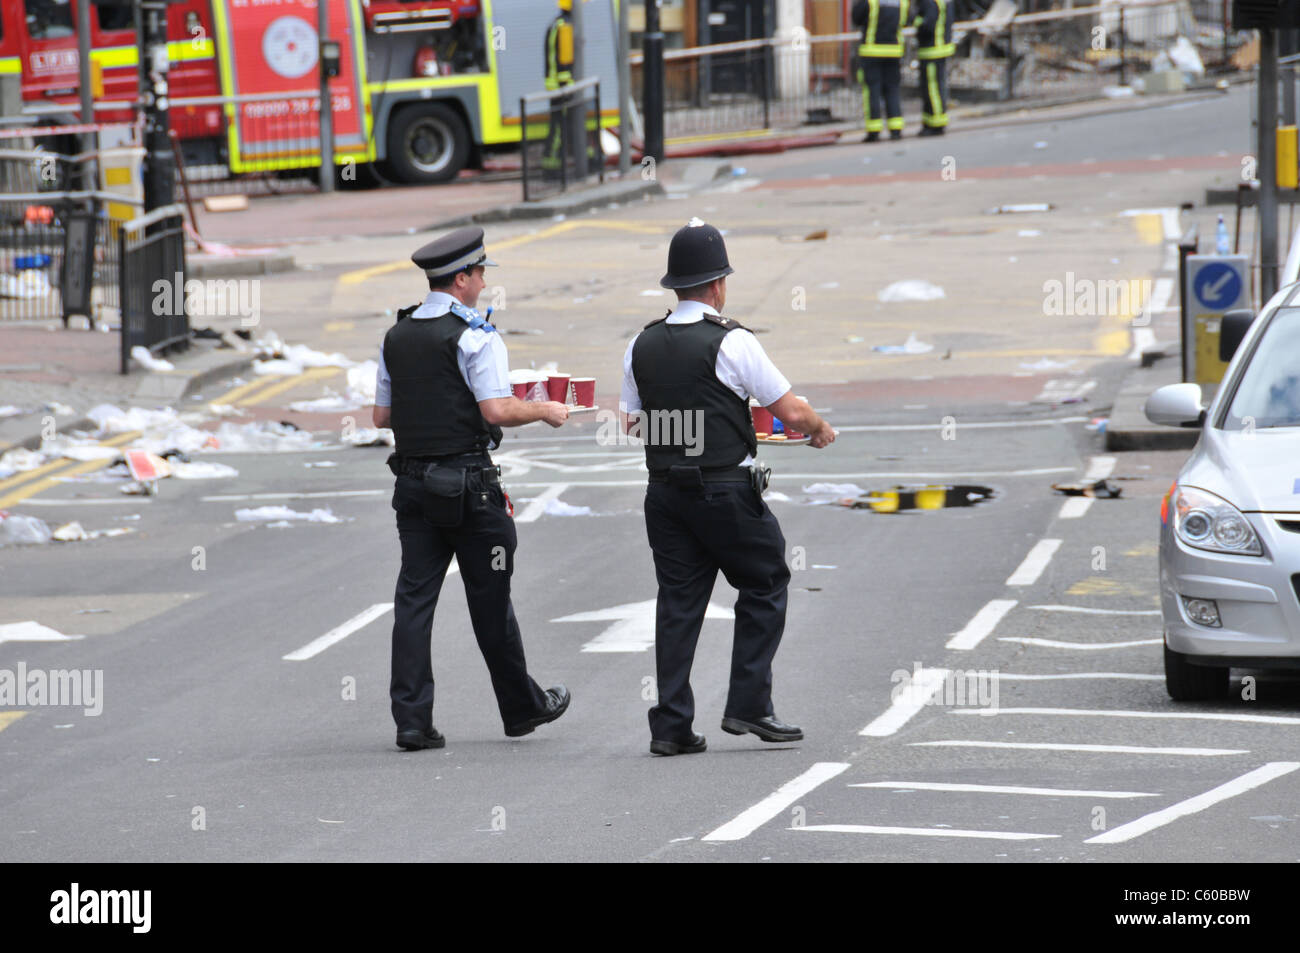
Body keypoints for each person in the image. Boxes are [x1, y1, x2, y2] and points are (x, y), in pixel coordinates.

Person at [620, 219, 836, 756]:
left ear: (675, 285)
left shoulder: (641, 343)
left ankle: (670, 724)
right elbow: (788, 410)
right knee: (765, 582)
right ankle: (748, 705)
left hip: (664, 493)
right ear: (717, 285)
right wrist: (818, 429)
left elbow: (633, 421)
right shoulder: (732, 341)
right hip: (724, 491)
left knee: (678, 603)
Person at [373, 226, 571, 751]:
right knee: (490, 599)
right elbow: (496, 410)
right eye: (480, 274)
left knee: (414, 602)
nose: (484, 283)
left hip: (413, 487)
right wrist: (546, 409)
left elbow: (381, 416)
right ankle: (521, 708)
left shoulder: (397, 335)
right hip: (471, 490)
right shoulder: (475, 335)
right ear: (461, 278)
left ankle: (412, 721)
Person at [852, 0, 910, 142]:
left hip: (872, 52)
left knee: (872, 91)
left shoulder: (870, 2)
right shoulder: (901, 2)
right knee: (893, 90)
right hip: (894, 52)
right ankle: (896, 130)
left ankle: (874, 131)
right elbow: (908, 20)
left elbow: (856, 18)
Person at [541, 0, 575, 173]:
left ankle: (556, 159)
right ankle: (552, 163)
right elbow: (564, 61)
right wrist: (567, 85)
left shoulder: (556, 24)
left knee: (559, 124)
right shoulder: (565, 27)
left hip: (555, 85)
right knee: (559, 125)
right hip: (561, 86)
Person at [913, 0, 954, 136]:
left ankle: (936, 124)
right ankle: (930, 122)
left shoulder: (929, 2)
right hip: (939, 49)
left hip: (931, 51)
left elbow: (927, 25)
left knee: (932, 89)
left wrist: (916, 22)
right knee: (935, 88)